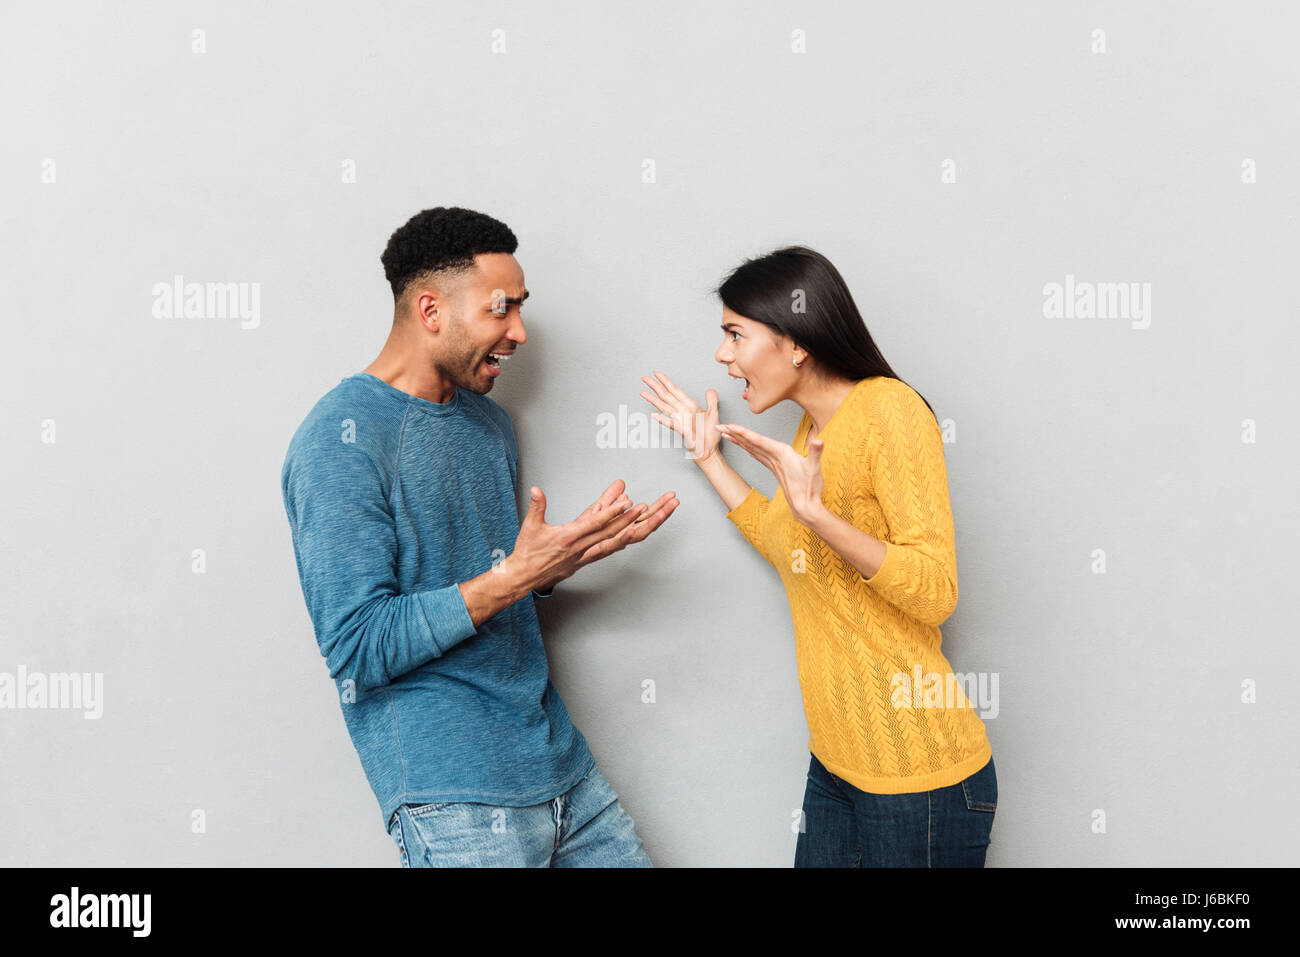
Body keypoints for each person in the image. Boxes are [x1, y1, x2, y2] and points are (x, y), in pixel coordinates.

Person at [281, 206, 677, 867]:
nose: (519, 331)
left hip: (561, 769)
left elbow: (486, 582)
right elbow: (356, 645)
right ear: (431, 311)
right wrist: (517, 575)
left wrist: (552, 564)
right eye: (502, 309)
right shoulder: (339, 439)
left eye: (521, 308)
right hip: (453, 795)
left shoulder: (489, 426)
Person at [640, 245, 997, 867]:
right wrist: (707, 457)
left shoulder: (889, 411)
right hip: (838, 762)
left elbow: (937, 592)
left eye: (734, 334)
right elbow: (791, 548)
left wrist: (819, 515)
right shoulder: (812, 430)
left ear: (795, 341)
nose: (723, 356)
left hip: (918, 778)